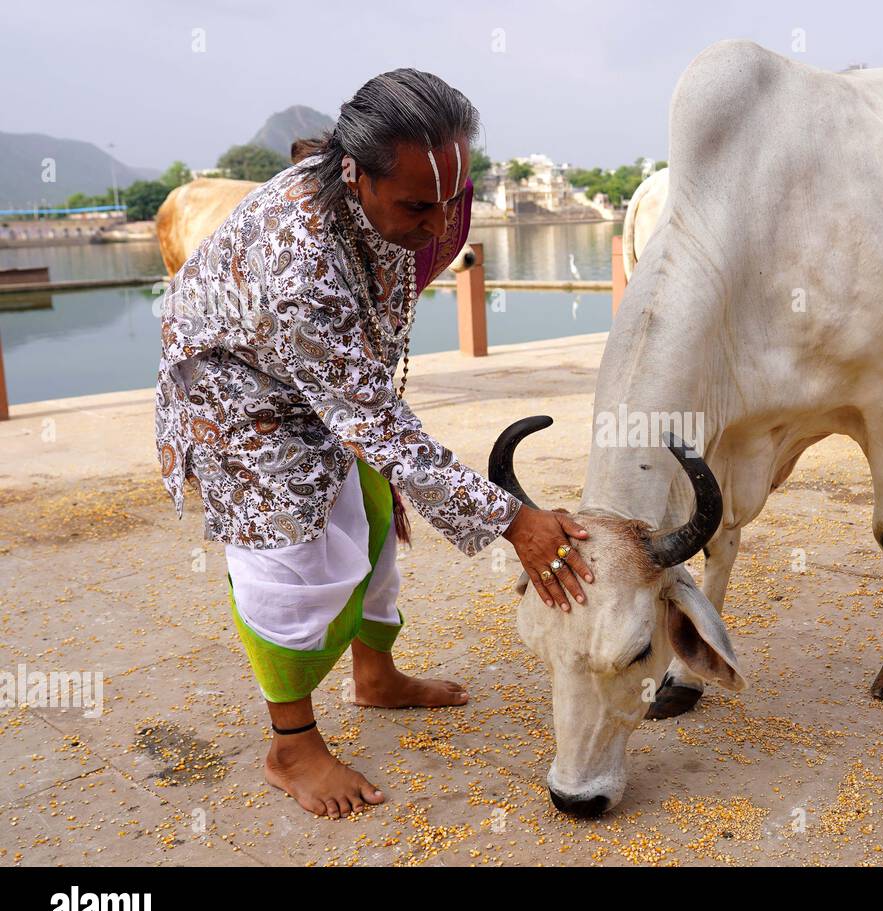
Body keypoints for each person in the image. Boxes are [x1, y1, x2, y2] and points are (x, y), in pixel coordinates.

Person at [154, 68, 592, 818]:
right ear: (354, 174)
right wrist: (512, 523)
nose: (436, 228)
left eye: (451, 203)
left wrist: (395, 456)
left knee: (377, 517)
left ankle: (375, 677)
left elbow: (369, 400)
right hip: (239, 397)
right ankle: (291, 746)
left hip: (328, 380)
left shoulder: (378, 195)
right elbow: (371, 418)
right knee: (290, 559)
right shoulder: (299, 257)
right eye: (419, 207)